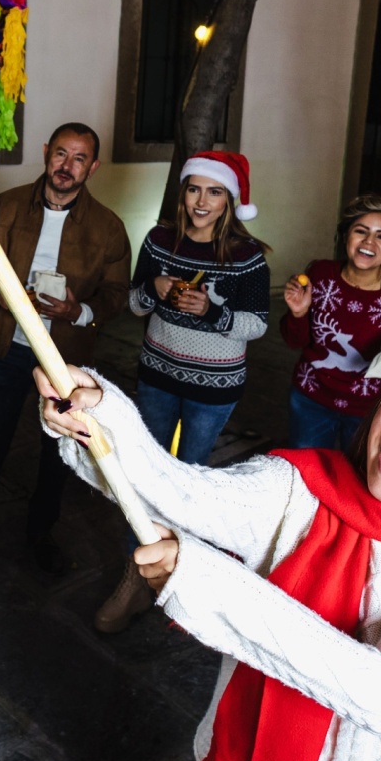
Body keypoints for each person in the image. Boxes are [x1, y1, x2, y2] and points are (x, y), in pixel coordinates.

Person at [37, 334, 381, 761]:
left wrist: (212, 585)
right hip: (234, 754)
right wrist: (100, 418)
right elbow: (182, 496)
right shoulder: (303, 486)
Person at [0, 122, 131, 599]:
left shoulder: (108, 227)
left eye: (79, 158)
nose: (67, 166)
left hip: (65, 363)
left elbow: (117, 293)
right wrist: (3, 297)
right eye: (61, 154)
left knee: (57, 457)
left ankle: (41, 536)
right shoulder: (6, 206)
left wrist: (79, 311)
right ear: (46, 152)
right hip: (5, 349)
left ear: (92, 167)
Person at [95, 151, 270, 633]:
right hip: (158, 375)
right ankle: (135, 578)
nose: (202, 201)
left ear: (229, 200)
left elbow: (257, 325)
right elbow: (135, 305)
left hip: (214, 386)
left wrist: (210, 311)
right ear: (183, 193)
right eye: (194, 189)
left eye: (214, 192)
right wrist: (154, 286)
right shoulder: (159, 240)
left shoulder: (245, 256)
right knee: (142, 476)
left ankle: (180, 581)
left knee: (189, 483)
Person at [282, 193, 381, 450]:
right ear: (346, 236)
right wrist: (298, 313)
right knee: (307, 469)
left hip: (371, 410)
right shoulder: (319, 274)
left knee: (358, 473)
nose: (369, 242)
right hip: (311, 399)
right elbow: (293, 340)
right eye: (360, 231)